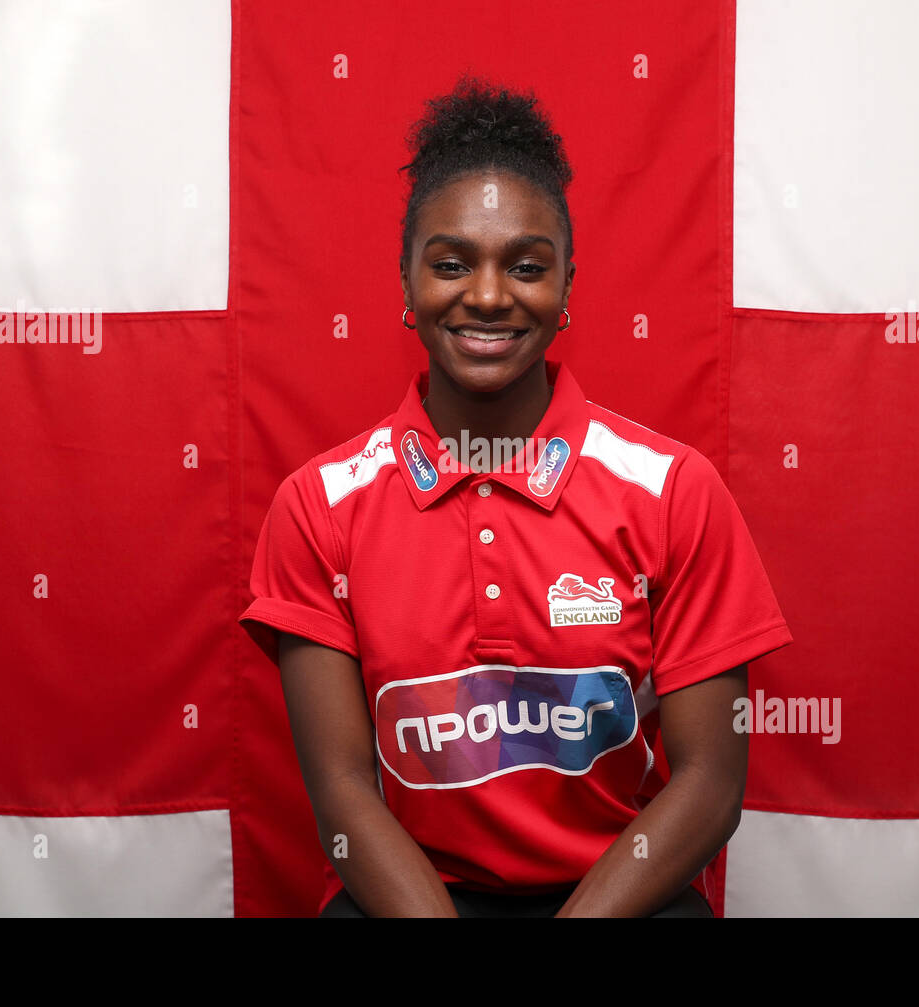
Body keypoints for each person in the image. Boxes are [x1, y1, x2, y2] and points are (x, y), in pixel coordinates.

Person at [239, 74, 793, 918]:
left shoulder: (675, 491)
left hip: (621, 898)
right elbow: (345, 793)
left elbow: (713, 784)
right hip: (413, 901)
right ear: (406, 284)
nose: (490, 295)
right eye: (452, 263)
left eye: (527, 266)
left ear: (567, 288)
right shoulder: (318, 505)